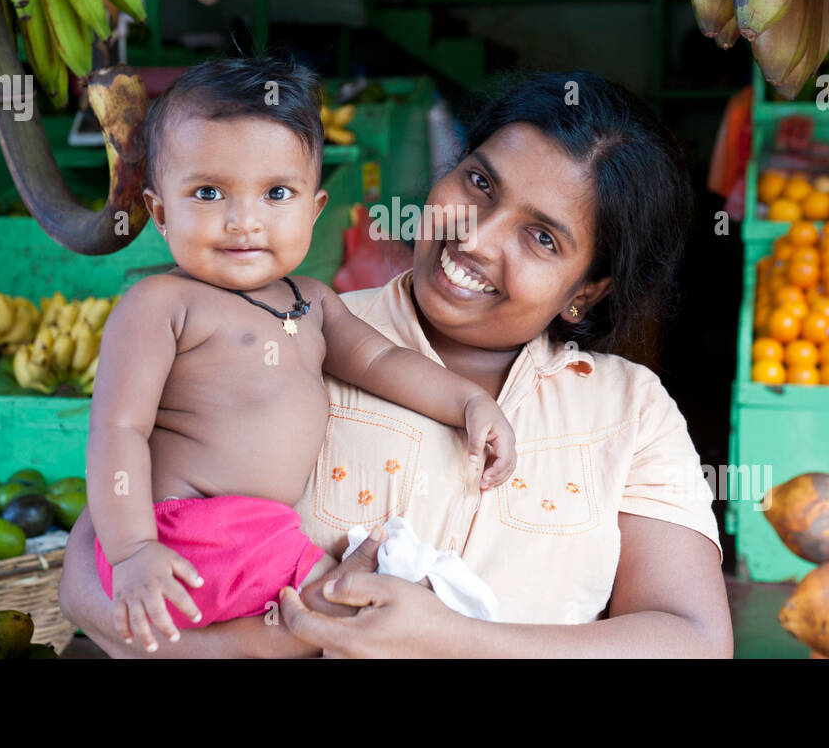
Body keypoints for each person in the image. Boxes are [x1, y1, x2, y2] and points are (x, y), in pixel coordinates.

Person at [59, 71, 733, 658]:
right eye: (478, 182)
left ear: (587, 290)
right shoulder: (285, 331)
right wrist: (261, 646)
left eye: (542, 237)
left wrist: (452, 643)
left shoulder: (628, 410)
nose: (473, 236)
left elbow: (693, 641)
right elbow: (91, 578)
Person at [86, 58, 517, 645]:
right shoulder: (160, 304)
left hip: (255, 537)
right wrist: (132, 549)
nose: (243, 222)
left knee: (353, 608)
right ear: (161, 213)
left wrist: (466, 402)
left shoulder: (313, 303)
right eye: (208, 193)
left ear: (313, 210)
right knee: (344, 613)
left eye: (276, 193)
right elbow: (118, 428)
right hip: (183, 534)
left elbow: (381, 363)